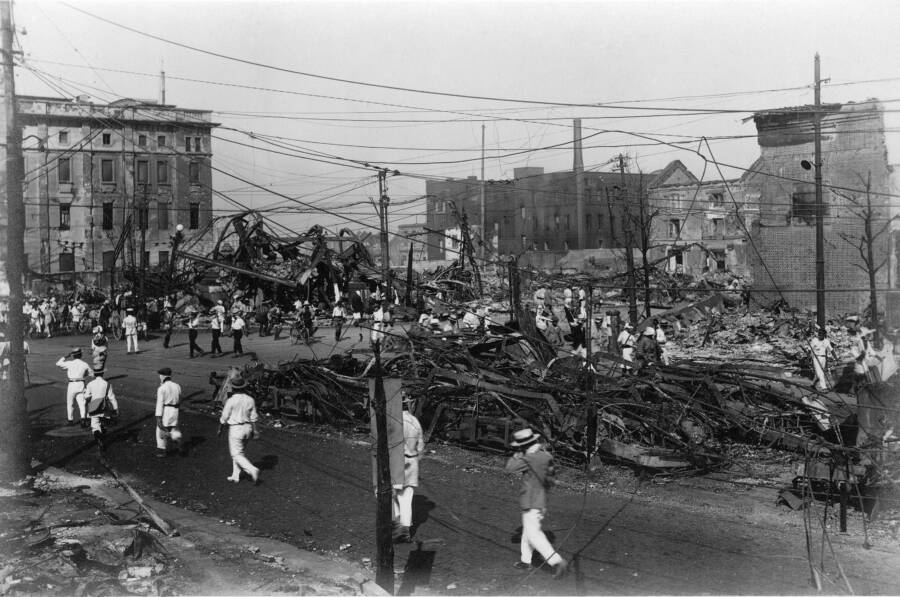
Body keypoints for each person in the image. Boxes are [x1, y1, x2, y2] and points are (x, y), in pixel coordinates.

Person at [505, 428, 567, 578]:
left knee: (533, 534)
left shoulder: (527, 458)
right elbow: (550, 478)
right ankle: (525, 561)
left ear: (523, 445)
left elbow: (509, 468)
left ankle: (556, 561)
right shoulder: (546, 456)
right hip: (541, 500)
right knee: (528, 531)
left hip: (530, 501)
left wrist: (518, 453)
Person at [393, 392, 424, 543]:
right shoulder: (415, 421)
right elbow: (421, 446)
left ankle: (397, 521)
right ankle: (404, 530)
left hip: (398, 462)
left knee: (384, 493)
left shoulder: (395, 421)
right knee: (406, 498)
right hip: (413, 463)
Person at [218, 376, 260, 483]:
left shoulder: (231, 400)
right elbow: (253, 417)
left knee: (236, 454)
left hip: (236, 429)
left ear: (233, 388)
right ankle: (235, 475)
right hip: (248, 428)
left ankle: (252, 470)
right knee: (240, 453)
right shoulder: (250, 399)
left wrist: (220, 429)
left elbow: (224, 417)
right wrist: (255, 431)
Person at [84, 365, 119, 451]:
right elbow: (112, 398)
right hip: (104, 407)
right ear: (103, 373)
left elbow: (86, 397)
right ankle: (102, 432)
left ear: (94, 374)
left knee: (95, 425)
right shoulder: (107, 384)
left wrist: (88, 395)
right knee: (104, 421)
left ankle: (99, 437)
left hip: (93, 406)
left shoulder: (90, 384)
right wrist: (115, 408)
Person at [56, 347, 93, 426]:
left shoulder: (70, 363)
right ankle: (83, 419)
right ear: (81, 355)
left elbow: (58, 363)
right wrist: (84, 374)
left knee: (70, 403)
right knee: (82, 402)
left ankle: (70, 420)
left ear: (73, 356)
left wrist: (66, 356)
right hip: (81, 384)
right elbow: (92, 374)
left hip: (72, 384)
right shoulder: (84, 364)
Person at [155, 367, 183, 457]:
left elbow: (159, 403)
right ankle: (179, 445)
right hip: (175, 410)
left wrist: (158, 417)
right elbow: (180, 399)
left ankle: (162, 450)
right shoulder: (177, 385)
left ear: (162, 376)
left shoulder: (162, 388)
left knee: (161, 429)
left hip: (166, 410)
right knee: (174, 428)